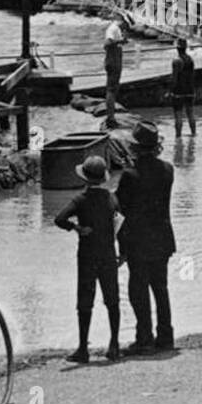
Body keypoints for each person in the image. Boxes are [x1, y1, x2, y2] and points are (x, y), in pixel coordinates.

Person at [115, 121, 177, 354]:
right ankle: (166, 336)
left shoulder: (129, 176)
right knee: (161, 288)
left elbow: (122, 211)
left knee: (138, 289)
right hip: (162, 237)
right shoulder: (168, 170)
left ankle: (144, 337)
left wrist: (121, 247)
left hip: (138, 240)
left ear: (135, 148)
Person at [54, 155, 123, 363]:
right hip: (108, 254)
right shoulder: (112, 198)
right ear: (104, 178)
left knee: (85, 302)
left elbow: (59, 219)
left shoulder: (80, 200)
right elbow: (120, 224)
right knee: (112, 300)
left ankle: (83, 348)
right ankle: (114, 345)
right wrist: (123, 252)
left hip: (87, 255)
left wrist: (76, 228)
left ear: (85, 178)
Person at [103, 12, 130, 128]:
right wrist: (120, 41)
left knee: (114, 88)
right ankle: (110, 117)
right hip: (113, 60)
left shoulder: (116, 29)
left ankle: (111, 115)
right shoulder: (113, 28)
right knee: (111, 89)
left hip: (115, 59)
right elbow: (107, 43)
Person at [169, 37, 197, 138]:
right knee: (191, 113)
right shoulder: (190, 59)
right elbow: (193, 75)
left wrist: (170, 91)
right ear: (186, 48)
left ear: (177, 48)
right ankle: (193, 134)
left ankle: (178, 137)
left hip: (179, 91)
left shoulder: (176, 61)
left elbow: (174, 78)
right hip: (190, 90)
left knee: (178, 114)